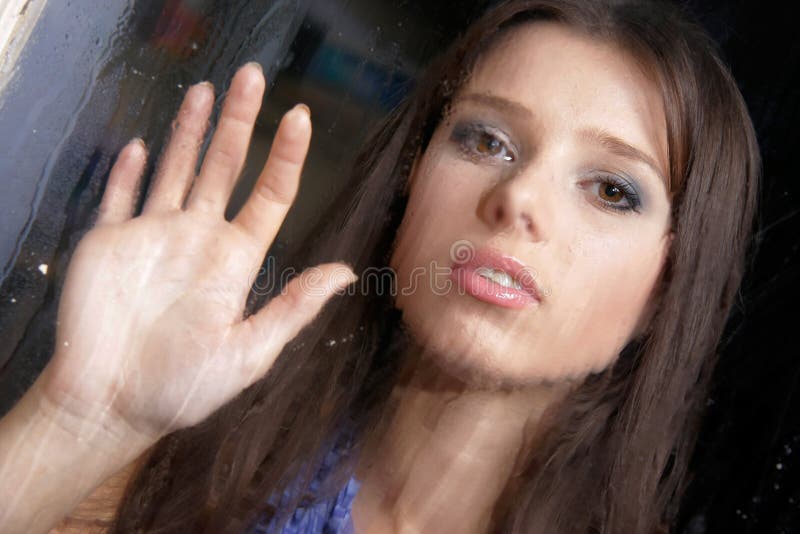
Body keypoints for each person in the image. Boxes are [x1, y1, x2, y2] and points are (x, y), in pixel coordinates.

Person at [0, 0, 760, 532]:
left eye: (612, 190)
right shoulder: (174, 467)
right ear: (408, 186)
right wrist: (77, 421)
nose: (518, 196)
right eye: (485, 140)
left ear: (669, 290)